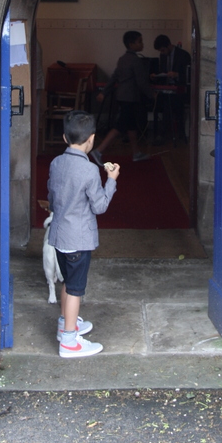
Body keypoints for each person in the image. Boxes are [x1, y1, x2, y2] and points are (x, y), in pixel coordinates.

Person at [47, 109, 120, 358]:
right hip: (78, 240)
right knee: (76, 289)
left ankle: (65, 322)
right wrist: (111, 180)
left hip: (59, 236)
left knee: (67, 281)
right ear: (91, 139)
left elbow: (52, 197)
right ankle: (69, 341)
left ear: (65, 139)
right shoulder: (89, 170)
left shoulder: (56, 163)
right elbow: (99, 206)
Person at [91, 30, 155, 165]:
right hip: (130, 98)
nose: (142, 44)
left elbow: (114, 77)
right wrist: (151, 94)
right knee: (120, 126)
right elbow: (141, 82)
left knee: (131, 126)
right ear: (131, 44)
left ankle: (136, 153)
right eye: (140, 42)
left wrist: (104, 92)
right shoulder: (136, 61)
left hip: (121, 96)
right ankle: (98, 150)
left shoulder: (122, 59)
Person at [150, 35, 191, 143]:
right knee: (163, 102)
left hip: (180, 88)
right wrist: (157, 76)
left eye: (163, 50)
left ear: (169, 45)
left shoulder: (183, 55)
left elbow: (189, 75)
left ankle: (177, 134)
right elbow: (163, 71)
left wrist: (177, 75)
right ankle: (164, 133)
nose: (162, 53)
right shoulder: (163, 56)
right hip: (167, 88)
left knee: (174, 106)